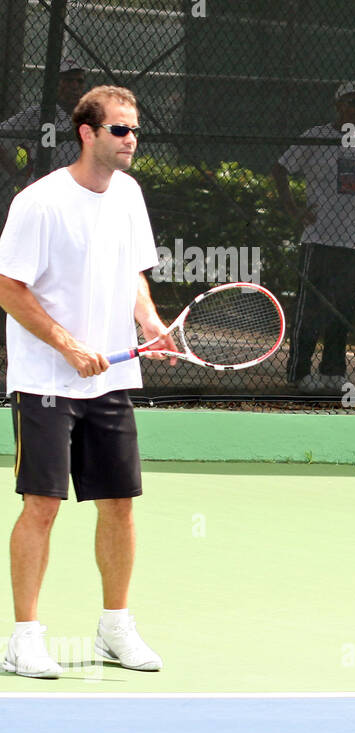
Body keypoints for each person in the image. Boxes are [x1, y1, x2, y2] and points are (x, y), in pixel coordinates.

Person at [0, 85, 172, 678]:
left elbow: (131, 273)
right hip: (46, 381)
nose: (131, 141)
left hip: (112, 381)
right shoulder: (40, 203)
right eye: (120, 131)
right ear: (88, 133)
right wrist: (68, 345)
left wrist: (148, 319)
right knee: (42, 505)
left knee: (119, 506)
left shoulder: (128, 196)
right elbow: (7, 287)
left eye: (135, 131)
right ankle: (24, 637)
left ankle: (115, 630)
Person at [272, 81, 355, 394]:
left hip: (353, 241)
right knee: (311, 308)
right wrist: (293, 210)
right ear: (338, 106)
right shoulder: (315, 136)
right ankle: (299, 372)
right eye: (352, 103)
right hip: (318, 237)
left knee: (343, 309)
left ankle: (333, 371)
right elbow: (280, 169)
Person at [0, 58, 87, 187]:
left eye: (79, 81)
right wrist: (17, 176)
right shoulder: (36, 114)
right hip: (43, 186)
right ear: (55, 83)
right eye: (68, 80)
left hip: (79, 188)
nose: (75, 86)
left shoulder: (90, 116)